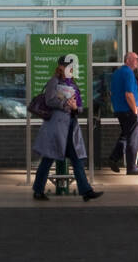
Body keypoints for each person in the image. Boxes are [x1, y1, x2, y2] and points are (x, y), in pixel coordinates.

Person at [32, 54, 102, 202]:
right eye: (68, 65)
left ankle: (86, 191)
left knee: (76, 159)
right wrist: (65, 104)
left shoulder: (73, 84)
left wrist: (76, 107)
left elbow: (80, 106)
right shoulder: (54, 81)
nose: (71, 68)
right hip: (56, 127)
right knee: (48, 158)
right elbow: (49, 100)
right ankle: (38, 190)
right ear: (61, 67)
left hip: (71, 126)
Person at [106, 51, 138, 174]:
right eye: (135, 58)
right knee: (133, 138)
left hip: (119, 110)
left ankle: (114, 158)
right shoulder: (128, 73)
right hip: (128, 111)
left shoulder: (117, 73)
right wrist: (136, 111)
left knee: (126, 136)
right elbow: (128, 94)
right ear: (128, 61)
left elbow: (112, 92)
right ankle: (132, 168)